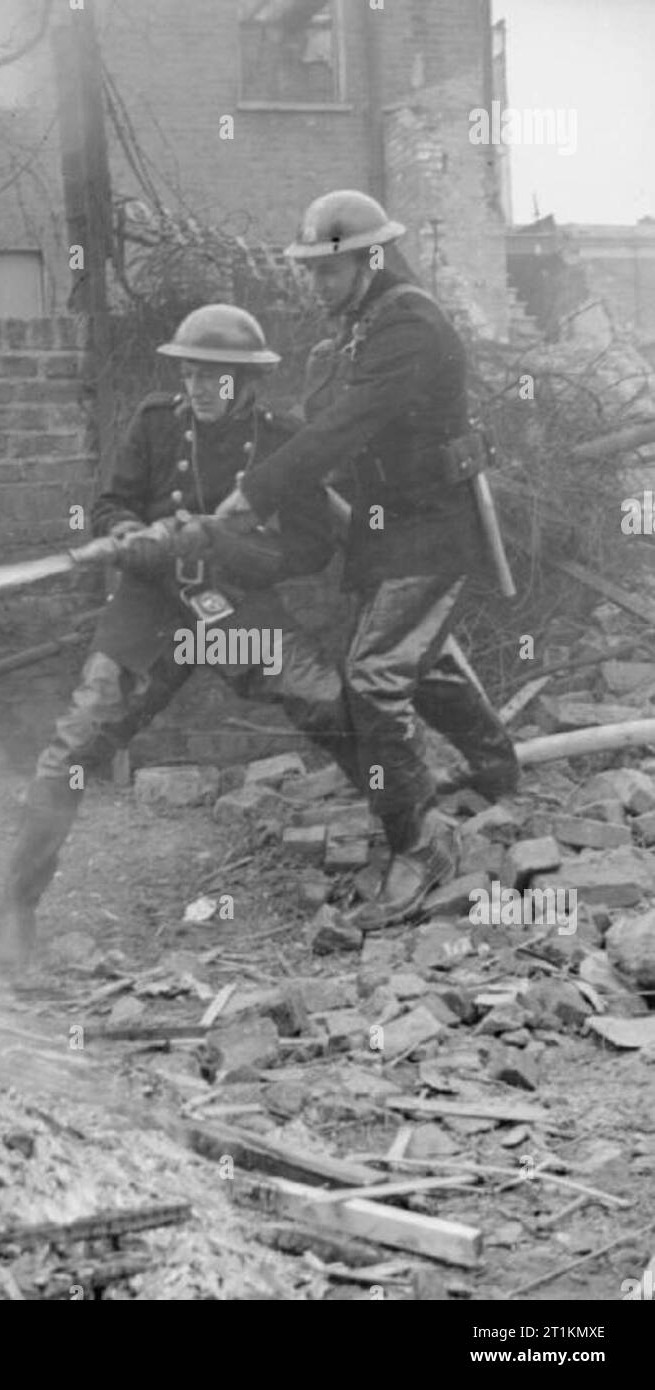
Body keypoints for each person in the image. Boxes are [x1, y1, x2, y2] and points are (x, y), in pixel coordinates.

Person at [0, 303, 356, 964]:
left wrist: (224, 543)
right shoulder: (154, 424)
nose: (197, 387)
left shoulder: (282, 442)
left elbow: (308, 549)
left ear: (247, 383)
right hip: (153, 611)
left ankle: (404, 839)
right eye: (190, 373)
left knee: (327, 700)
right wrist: (129, 538)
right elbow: (112, 503)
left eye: (213, 377)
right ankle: (16, 909)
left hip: (235, 611)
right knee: (77, 743)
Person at [216, 190, 519, 927]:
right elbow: (322, 422)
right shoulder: (363, 325)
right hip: (391, 528)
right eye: (311, 271)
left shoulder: (408, 326)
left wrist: (257, 493)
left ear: (371, 259)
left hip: (432, 528)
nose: (314, 285)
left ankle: (422, 848)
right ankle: (496, 775)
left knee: (375, 679)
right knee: (425, 659)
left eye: (328, 270)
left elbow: (348, 425)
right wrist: (259, 462)